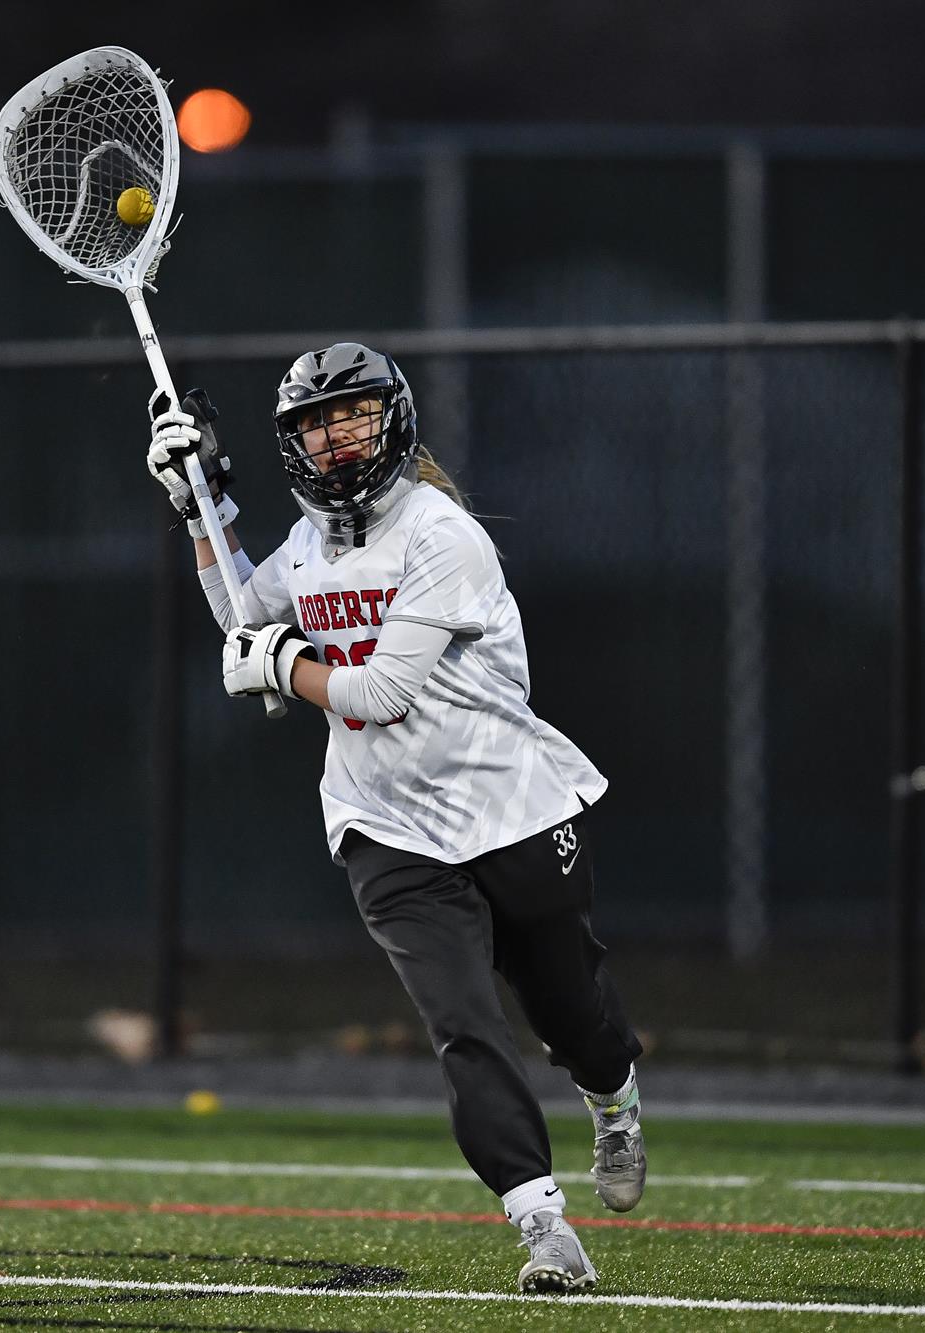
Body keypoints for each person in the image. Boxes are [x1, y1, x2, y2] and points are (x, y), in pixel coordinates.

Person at [144, 343, 645, 1295]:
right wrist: (201, 509)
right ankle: (544, 1226)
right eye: (316, 422)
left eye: (353, 414)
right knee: (464, 1020)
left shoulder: (441, 533)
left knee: (569, 1011)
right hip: (388, 824)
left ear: (394, 418)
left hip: (510, 805)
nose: (336, 437)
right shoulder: (306, 544)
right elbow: (245, 613)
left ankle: (614, 1098)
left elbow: (380, 690)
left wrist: (283, 665)